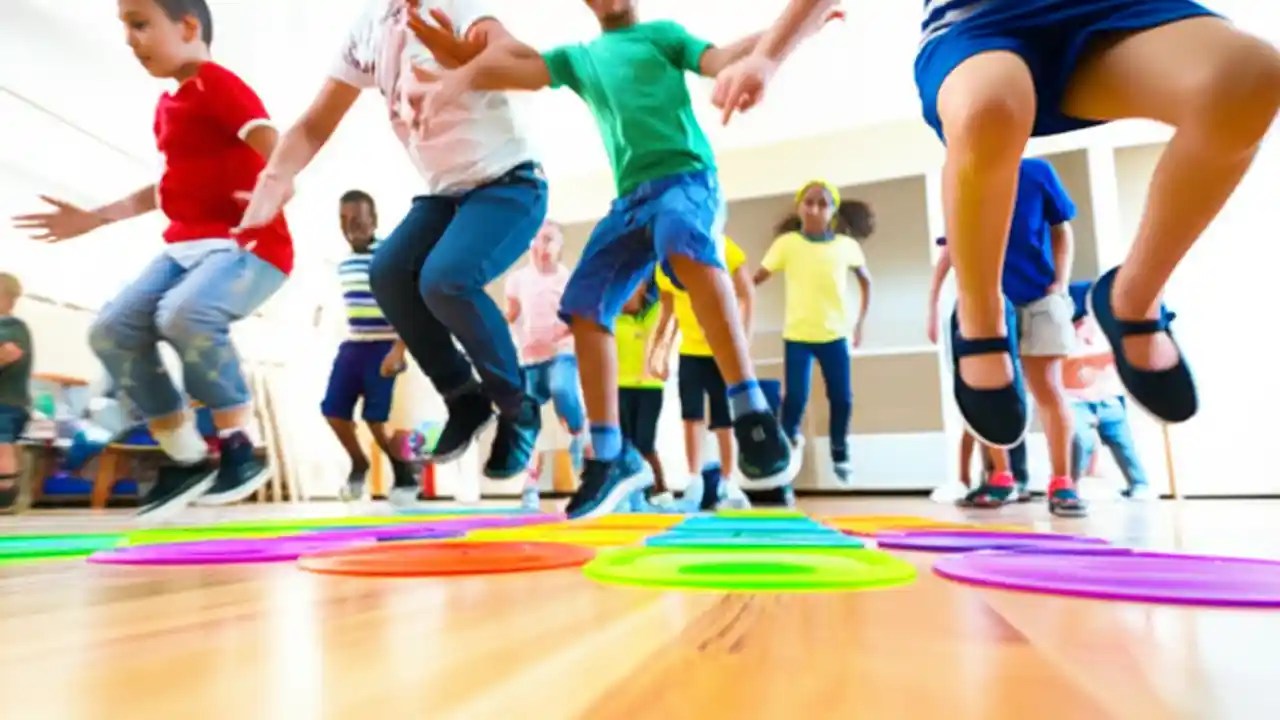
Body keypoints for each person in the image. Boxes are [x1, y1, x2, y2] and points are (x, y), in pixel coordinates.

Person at [711, 0, 1280, 451]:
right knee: (991, 105)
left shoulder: (845, 247)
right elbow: (769, 273)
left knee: (1250, 75)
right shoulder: (794, 245)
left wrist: (1057, 282)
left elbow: (1057, 230)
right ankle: (980, 318)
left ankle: (1132, 299)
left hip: (1114, 10)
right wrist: (769, 55)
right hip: (980, 22)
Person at [402, 0, 845, 518]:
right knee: (584, 303)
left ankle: (751, 409)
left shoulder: (663, 36)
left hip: (687, 180)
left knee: (681, 236)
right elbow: (513, 70)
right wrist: (457, 57)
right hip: (631, 201)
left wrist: (793, 32)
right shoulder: (581, 57)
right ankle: (611, 456)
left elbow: (723, 58)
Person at [236, 0, 548, 482]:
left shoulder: (456, 8)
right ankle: (463, 396)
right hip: (447, 194)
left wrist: (466, 70)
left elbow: (531, 67)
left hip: (510, 183)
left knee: (446, 279)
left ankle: (516, 406)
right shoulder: (369, 30)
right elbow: (315, 124)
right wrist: (275, 176)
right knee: (388, 273)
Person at [13, 0, 291, 520]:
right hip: (185, 249)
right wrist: (96, 217)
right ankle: (187, 456)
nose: (129, 39)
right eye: (125, 26)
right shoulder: (169, 106)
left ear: (188, 26)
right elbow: (167, 188)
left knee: (183, 314)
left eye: (140, 24)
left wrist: (274, 187)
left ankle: (239, 446)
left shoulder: (216, 83)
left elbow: (272, 143)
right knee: (112, 330)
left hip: (248, 246)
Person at [927, 158, 1085, 516]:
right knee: (990, 393)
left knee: (1048, 389)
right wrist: (933, 304)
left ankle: (1063, 482)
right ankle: (1002, 477)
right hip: (989, 303)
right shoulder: (963, 177)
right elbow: (951, 247)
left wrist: (1060, 282)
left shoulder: (1037, 172)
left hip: (1039, 296)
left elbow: (1061, 229)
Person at [756, 181, 873, 484]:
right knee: (795, 397)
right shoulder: (787, 244)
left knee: (842, 398)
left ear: (833, 211)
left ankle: (839, 451)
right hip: (798, 336)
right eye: (808, 202)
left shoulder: (846, 247)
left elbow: (866, 282)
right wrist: (734, 293)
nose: (814, 209)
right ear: (799, 207)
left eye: (822, 204)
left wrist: (860, 323)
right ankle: (786, 443)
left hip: (835, 335)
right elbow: (757, 278)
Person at [322, 190, 419, 505]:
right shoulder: (344, 263)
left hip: (384, 346)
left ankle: (402, 472)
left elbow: (412, 307)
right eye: (344, 220)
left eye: (358, 220)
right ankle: (358, 463)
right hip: (353, 346)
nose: (351, 227)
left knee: (375, 418)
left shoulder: (389, 257)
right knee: (333, 411)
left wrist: (399, 350)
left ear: (373, 221)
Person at [650, 234, 753, 510]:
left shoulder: (723, 246)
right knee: (691, 416)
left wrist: (742, 340)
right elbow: (668, 312)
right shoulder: (665, 263)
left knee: (724, 420)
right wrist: (659, 352)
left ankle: (729, 482)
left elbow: (746, 294)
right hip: (690, 352)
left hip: (722, 350)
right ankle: (694, 480)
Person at [504, 220, 587, 508]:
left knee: (562, 389)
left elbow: (579, 318)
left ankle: (579, 432)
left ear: (560, 246)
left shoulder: (567, 280)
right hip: (529, 358)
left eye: (549, 240)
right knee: (527, 422)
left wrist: (569, 331)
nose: (542, 247)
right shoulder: (517, 280)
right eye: (537, 240)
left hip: (561, 353)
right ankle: (530, 485)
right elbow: (512, 314)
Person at [1064, 281, 1154, 500]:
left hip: (1108, 398)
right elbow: (1066, 369)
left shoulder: (1107, 330)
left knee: (1122, 442)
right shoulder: (1064, 336)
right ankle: (1071, 486)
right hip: (1075, 401)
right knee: (1081, 441)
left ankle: (1139, 484)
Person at [615, 278, 673, 507]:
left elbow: (671, 305)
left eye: (631, 287)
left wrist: (663, 354)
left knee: (644, 442)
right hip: (619, 387)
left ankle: (660, 488)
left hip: (649, 388)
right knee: (625, 443)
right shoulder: (612, 317)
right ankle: (630, 493)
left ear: (642, 288)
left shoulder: (655, 313)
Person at [0, 273, 32, 511]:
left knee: (2, 443)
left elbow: (8, 353)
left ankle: (5, 495)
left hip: (6, 402)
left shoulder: (10, 326)